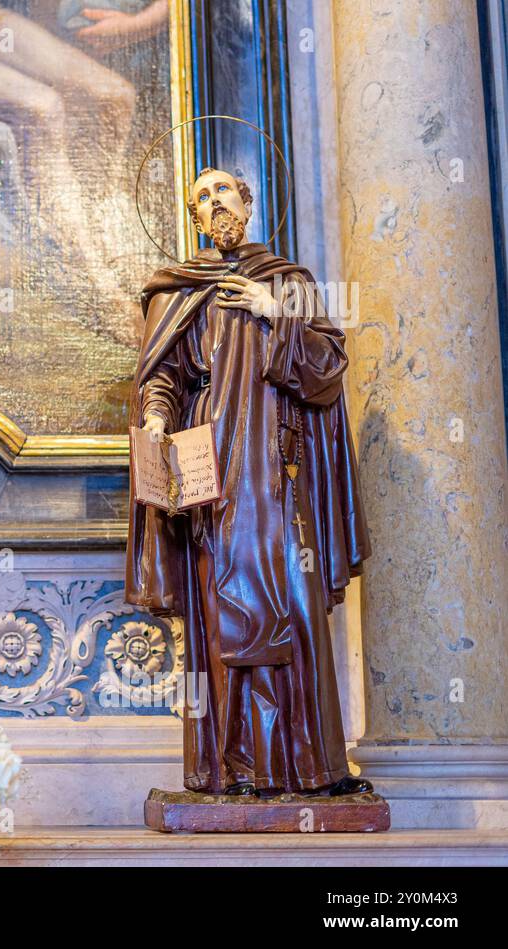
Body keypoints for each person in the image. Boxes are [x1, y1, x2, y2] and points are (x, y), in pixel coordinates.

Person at [127, 168, 373, 798]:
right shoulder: (179, 291)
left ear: (248, 202)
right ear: (195, 216)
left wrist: (274, 315)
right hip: (208, 464)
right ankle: (227, 771)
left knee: (287, 600)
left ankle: (303, 768)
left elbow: (326, 370)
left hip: (275, 468)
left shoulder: (288, 281)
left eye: (223, 193)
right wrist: (156, 418)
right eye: (201, 199)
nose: (214, 205)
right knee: (218, 607)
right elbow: (164, 375)